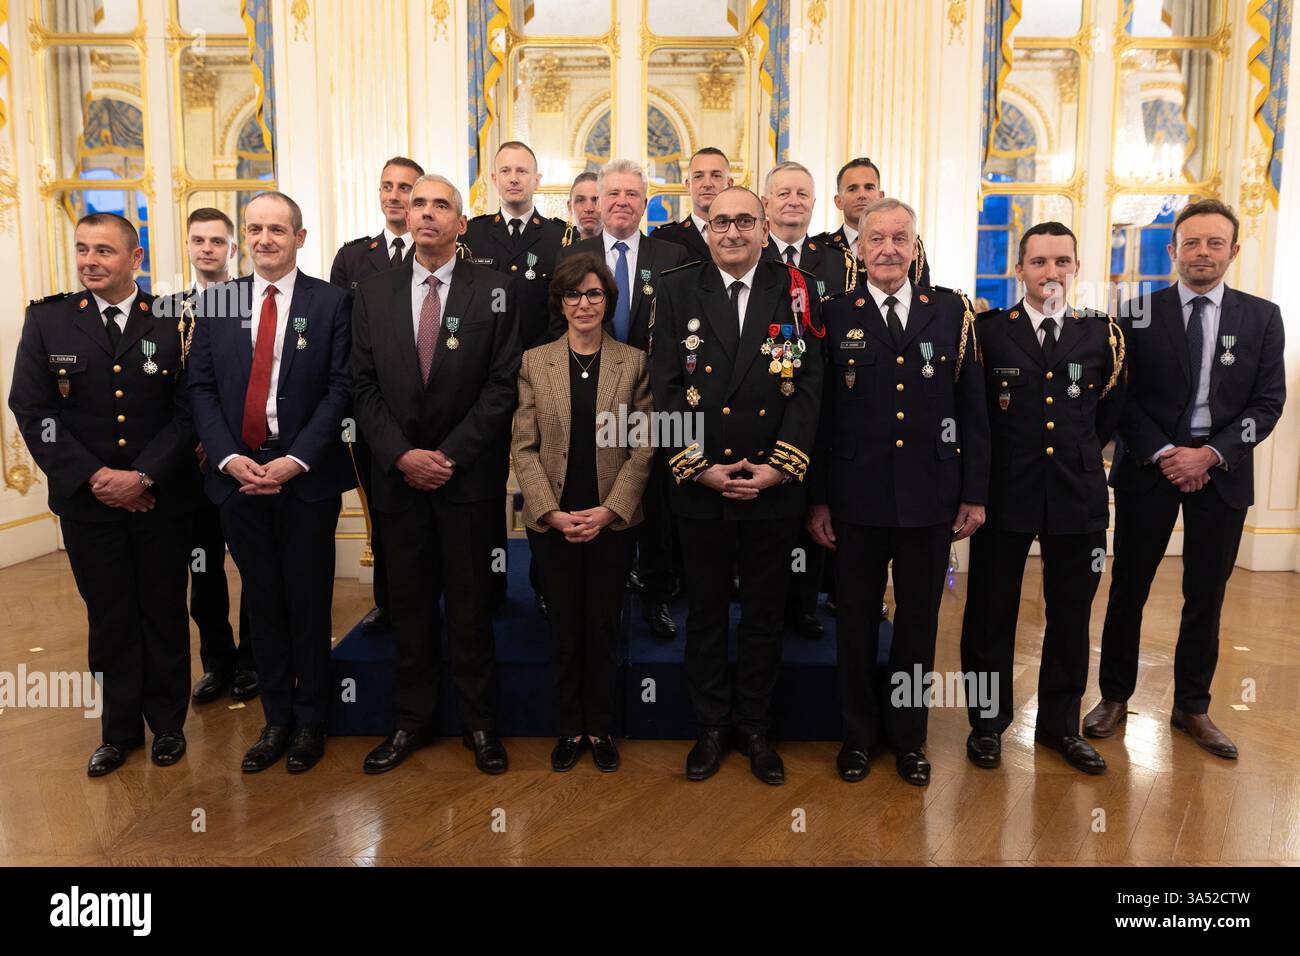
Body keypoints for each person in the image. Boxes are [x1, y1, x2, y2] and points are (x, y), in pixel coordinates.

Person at [1086, 199, 1287, 759]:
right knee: (1129, 588)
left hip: (1221, 476)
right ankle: (1114, 697)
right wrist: (1167, 452)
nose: (1203, 253)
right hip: (1150, 470)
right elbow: (1119, 401)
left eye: (1215, 243)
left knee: (1206, 594)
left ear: (1234, 251)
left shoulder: (1263, 317)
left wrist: (1210, 455)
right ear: (1173, 251)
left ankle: (1192, 707)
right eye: (1192, 243)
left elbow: (1268, 404)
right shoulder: (1136, 313)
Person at [9, 212, 201, 776]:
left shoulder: (177, 320)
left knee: (163, 610)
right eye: (82, 249)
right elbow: (34, 410)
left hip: (162, 499)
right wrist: (96, 479)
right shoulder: (48, 321)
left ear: (135, 259)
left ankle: (167, 725)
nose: (90, 260)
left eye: (104, 251)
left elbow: (190, 412)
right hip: (88, 504)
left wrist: (142, 477)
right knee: (110, 615)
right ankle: (118, 731)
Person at [807, 197, 990, 786]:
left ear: (915, 247)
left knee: (918, 622)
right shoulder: (834, 313)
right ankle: (857, 736)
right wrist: (818, 498)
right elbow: (819, 415)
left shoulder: (952, 313)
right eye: (876, 238)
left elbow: (973, 410)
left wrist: (974, 493)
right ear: (858, 250)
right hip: (854, 498)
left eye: (900, 238)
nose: (888, 248)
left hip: (930, 496)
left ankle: (908, 737)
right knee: (855, 621)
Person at [652, 186, 824, 785]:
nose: (732, 231)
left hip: (772, 484)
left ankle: (754, 727)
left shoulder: (796, 290)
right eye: (721, 221)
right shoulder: (677, 290)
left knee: (763, 614)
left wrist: (781, 464)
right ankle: (710, 727)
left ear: (764, 225)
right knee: (703, 612)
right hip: (701, 485)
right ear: (708, 229)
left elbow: (808, 387)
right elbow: (666, 387)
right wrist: (697, 466)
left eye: (744, 221)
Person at [352, 174, 521, 776]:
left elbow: (503, 387)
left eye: (439, 205)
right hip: (398, 480)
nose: (424, 213)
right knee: (410, 606)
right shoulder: (371, 292)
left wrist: (448, 456)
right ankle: (411, 722)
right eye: (417, 203)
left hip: (466, 481)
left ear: (461, 223)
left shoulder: (497, 291)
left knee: (472, 608)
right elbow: (363, 386)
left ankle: (479, 724)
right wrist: (402, 455)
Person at [187, 191, 355, 774]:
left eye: (276, 230)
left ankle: (312, 721)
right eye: (254, 229)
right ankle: (276, 718)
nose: (264, 239)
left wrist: (298, 460)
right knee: (262, 602)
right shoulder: (220, 303)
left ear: (299, 238)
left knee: (308, 601)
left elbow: (341, 389)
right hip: (238, 478)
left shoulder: (332, 303)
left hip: (304, 478)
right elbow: (201, 389)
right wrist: (230, 459)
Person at [959, 221, 1125, 774]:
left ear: (1076, 266)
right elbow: (974, 417)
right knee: (990, 611)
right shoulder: (986, 332)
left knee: (1071, 616)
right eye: (1038, 262)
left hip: (1076, 494)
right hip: (1003, 492)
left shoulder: (1103, 335)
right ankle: (987, 725)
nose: (1050, 272)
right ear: (1020, 269)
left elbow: (1108, 415)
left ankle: (1058, 727)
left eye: (1061, 261)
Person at [513, 252, 653, 772]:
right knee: (564, 629)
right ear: (561, 302)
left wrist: (609, 510)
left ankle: (602, 727)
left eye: (595, 294)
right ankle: (569, 728)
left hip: (611, 524)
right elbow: (523, 448)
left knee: (602, 626)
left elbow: (644, 448)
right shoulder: (535, 361)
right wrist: (549, 512)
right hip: (554, 523)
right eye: (574, 294)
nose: (584, 303)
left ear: (608, 301)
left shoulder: (634, 361)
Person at [556, 159, 687, 638]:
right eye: (612, 194)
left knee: (655, 499)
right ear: (597, 199)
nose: (621, 202)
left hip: (658, 401)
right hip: (589, 399)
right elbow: (557, 326)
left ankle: (657, 593)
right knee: (593, 492)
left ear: (646, 202)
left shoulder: (673, 256)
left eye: (632, 194)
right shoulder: (574, 253)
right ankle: (593, 597)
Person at [165, 207, 258, 705]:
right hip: (187, 466)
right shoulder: (165, 309)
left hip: (238, 455)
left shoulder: (252, 301)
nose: (207, 249)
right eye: (198, 240)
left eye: (216, 241)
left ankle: (252, 661)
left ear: (231, 248)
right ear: (187, 245)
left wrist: (220, 441)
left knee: (252, 563)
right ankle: (217, 662)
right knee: (203, 571)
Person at [329, 155, 424, 634]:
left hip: (428, 407)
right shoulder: (352, 258)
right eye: (387, 185)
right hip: (372, 410)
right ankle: (387, 599)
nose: (394, 194)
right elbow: (340, 337)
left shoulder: (441, 249)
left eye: (405, 187)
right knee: (382, 509)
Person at [760, 160, 852, 640]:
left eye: (802, 193)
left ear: (815, 203)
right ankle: (766, 606)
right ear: (766, 204)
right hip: (762, 406)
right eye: (783, 193)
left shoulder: (837, 263)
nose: (793, 200)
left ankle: (804, 604)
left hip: (819, 403)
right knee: (768, 519)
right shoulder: (750, 256)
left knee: (813, 506)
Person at [462, 141, 566, 349]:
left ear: (537, 180)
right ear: (494, 179)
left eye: (522, 171)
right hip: (485, 358)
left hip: (541, 359)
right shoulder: (471, 235)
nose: (513, 179)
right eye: (505, 171)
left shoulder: (560, 237)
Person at [813, 157, 931, 286]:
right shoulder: (819, 249)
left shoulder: (907, 245)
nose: (862, 195)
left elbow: (921, 299)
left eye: (869, 187)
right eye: (852, 189)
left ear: (881, 197)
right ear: (838, 201)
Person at [651, 147, 733, 263]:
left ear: (729, 184)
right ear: (687, 185)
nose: (707, 184)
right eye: (698, 176)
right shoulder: (664, 240)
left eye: (716, 176)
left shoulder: (747, 236)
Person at [565, 171, 602, 244]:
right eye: (580, 200)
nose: (589, 209)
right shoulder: (561, 252)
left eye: (596, 200)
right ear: (570, 207)